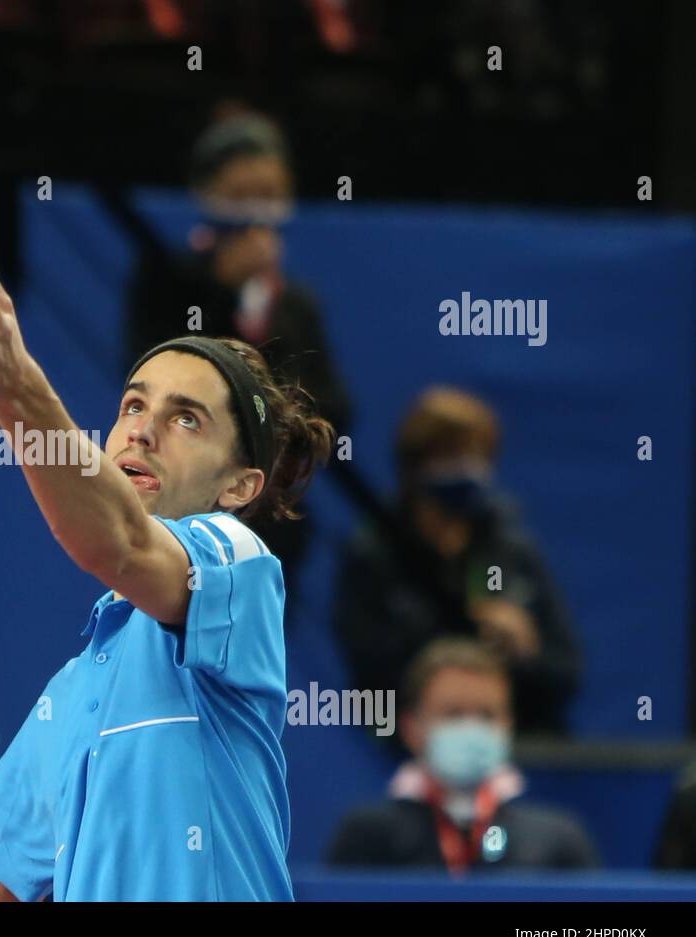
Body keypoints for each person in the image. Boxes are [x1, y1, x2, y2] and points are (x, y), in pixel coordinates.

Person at [0, 248, 333, 901]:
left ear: (240, 485)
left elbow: (121, 546)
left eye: (187, 419)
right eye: (133, 406)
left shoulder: (238, 562)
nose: (144, 432)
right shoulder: (69, 695)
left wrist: (15, 387)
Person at [125, 110, 352, 580]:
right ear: (209, 194)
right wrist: (223, 291)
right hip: (181, 507)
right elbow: (150, 371)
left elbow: (333, 405)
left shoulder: (296, 304)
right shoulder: (169, 278)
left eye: (269, 195)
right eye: (242, 195)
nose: (257, 209)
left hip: (270, 525)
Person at [334, 386, 582, 736]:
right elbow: (370, 675)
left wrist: (526, 651)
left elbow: (564, 672)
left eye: (479, 455)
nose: (469, 468)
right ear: (415, 465)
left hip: (518, 746)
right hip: (400, 748)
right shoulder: (373, 553)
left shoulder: (512, 551)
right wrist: (465, 631)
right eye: (452, 454)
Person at [327, 637, 599, 873]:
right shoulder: (367, 837)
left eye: (486, 715)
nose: (471, 729)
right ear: (411, 728)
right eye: (453, 714)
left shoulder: (559, 841)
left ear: (509, 726)